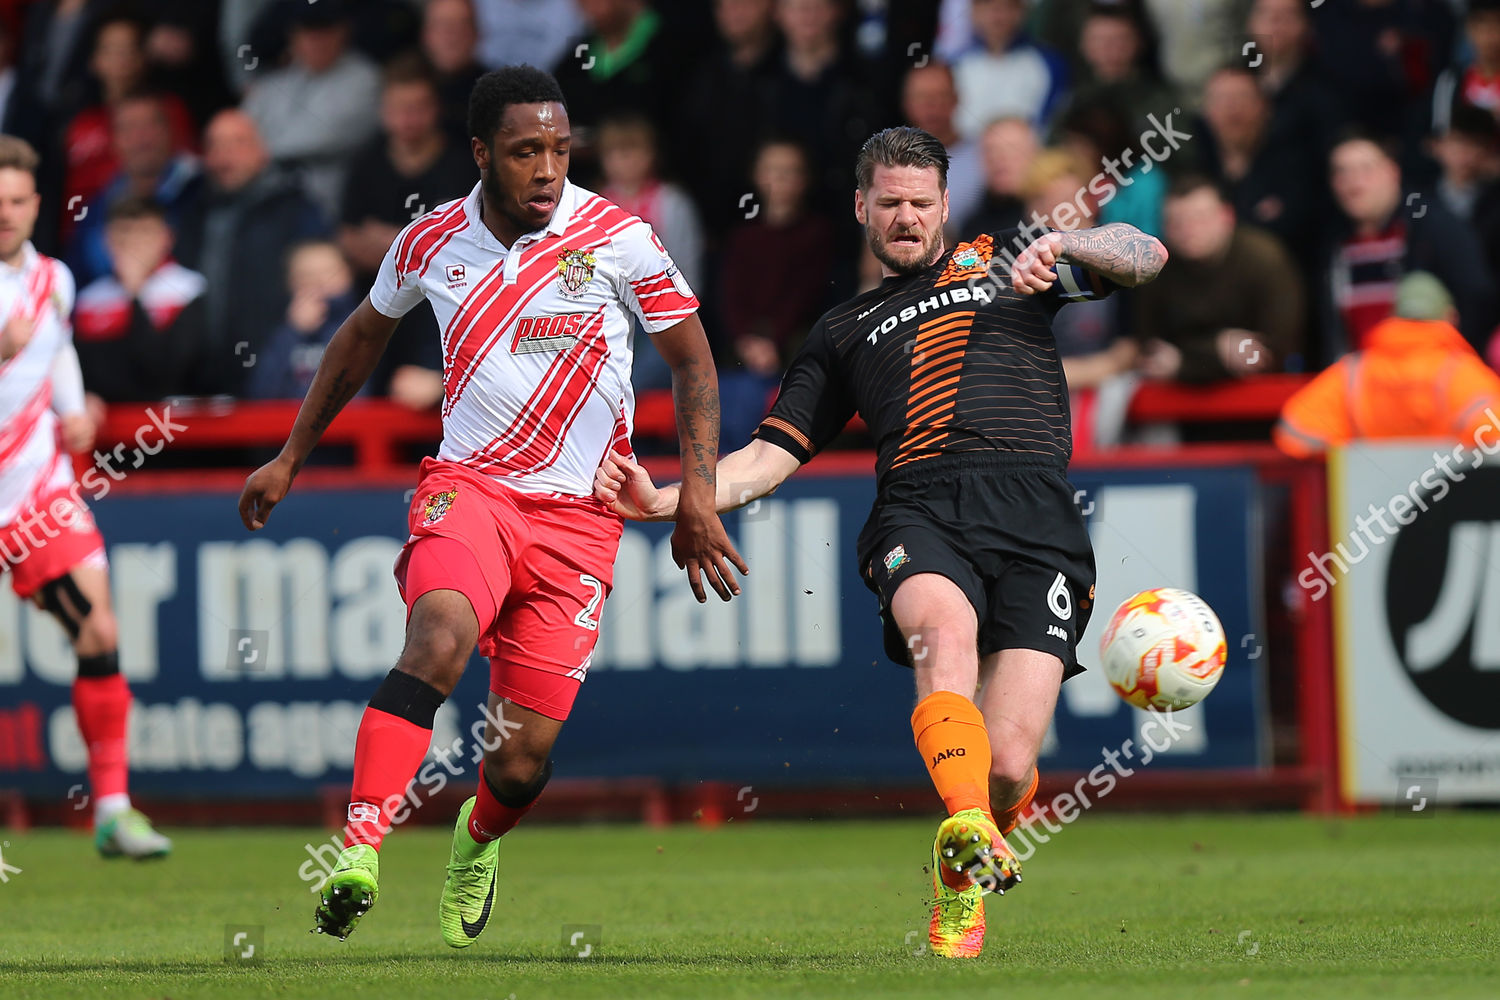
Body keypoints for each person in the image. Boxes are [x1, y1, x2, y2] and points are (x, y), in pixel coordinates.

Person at [594, 125, 1166, 959]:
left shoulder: (1015, 260)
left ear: (944, 205)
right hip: (920, 509)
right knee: (944, 633)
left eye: (921, 203)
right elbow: (766, 456)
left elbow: (1143, 254)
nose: (905, 218)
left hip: (1039, 518)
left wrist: (1070, 240)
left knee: (1008, 765)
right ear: (863, 206)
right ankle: (967, 823)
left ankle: (963, 859)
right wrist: (673, 498)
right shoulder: (839, 331)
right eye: (889, 203)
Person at [237, 65, 744, 947]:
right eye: (524, 151)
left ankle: (477, 841)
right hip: (469, 488)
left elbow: (697, 364)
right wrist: (289, 456)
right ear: (481, 154)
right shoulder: (431, 241)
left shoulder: (620, 237)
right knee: (436, 638)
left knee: (518, 761)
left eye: (558, 148)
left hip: (580, 519)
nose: (547, 168)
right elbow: (361, 337)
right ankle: (359, 851)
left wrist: (697, 496)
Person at [0, 134, 171, 859]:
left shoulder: (55, 280)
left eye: (15, 201)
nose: (4, 214)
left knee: (99, 632)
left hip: (37, 488)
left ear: (37, 204)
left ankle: (110, 808)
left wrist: (78, 407)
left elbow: (57, 349)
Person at [177, 109, 326, 395]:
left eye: (237, 144)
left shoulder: (295, 208)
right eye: (215, 146)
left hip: (275, 373)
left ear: (263, 151)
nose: (224, 157)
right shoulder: (189, 209)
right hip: (199, 379)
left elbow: (323, 286)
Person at [1275, 272, 1500, 456]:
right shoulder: (1463, 375)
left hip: (1364, 505)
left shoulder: (1353, 372)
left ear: (1391, 316)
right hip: (1446, 502)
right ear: (1451, 317)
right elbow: (1493, 435)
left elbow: (1294, 432)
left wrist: (1352, 454)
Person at [1325, 132, 1496, 363]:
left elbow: (1476, 296)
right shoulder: (1332, 244)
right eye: (1341, 171)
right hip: (1361, 382)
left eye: (1365, 169)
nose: (1353, 181)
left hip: (1427, 378)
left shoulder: (1431, 226)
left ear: (1392, 172)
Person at [1134, 174, 1303, 382]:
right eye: (1176, 221)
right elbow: (1152, 351)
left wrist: (1187, 362)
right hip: (1180, 400)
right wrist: (1219, 348)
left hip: (1261, 397)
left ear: (1227, 217)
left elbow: (1275, 350)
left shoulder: (1264, 259)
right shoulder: (1155, 266)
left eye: (1200, 218)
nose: (1188, 230)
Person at [239, 0, 380, 219]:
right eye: (308, 32)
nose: (316, 41)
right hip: (266, 197)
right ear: (293, 36)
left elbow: (328, 134)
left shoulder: (365, 78)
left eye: (325, 31)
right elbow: (241, 126)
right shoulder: (278, 78)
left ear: (343, 32)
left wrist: (257, 150)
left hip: (326, 202)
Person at [72, 195, 207, 401]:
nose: (133, 244)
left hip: (170, 424)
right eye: (123, 233)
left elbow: (168, 372)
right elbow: (84, 372)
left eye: (144, 233)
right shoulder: (90, 299)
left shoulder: (188, 289)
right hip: (106, 425)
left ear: (167, 238)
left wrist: (135, 295)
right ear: (107, 239)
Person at [245, 240, 363, 400]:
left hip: (350, 422)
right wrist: (293, 332)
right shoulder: (280, 331)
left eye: (329, 273)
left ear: (349, 274)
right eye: (307, 276)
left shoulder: (365, 324)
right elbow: (262, 392)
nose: (320, 282)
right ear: (289, 282)